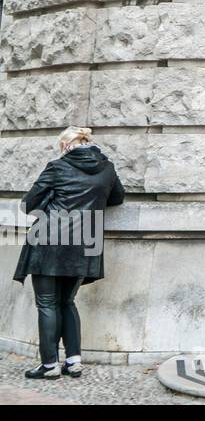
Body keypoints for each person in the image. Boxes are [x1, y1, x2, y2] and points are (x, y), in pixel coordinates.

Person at [12, 127, 124, 379]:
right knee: (67, 301)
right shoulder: (107, 169)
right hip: (86, 241)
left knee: (47, 303)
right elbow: (117, 197)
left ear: (64, 145)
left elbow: (28, 204)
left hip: (50, 241)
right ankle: (73, 362)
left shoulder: (57, 166)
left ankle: (49, 365)